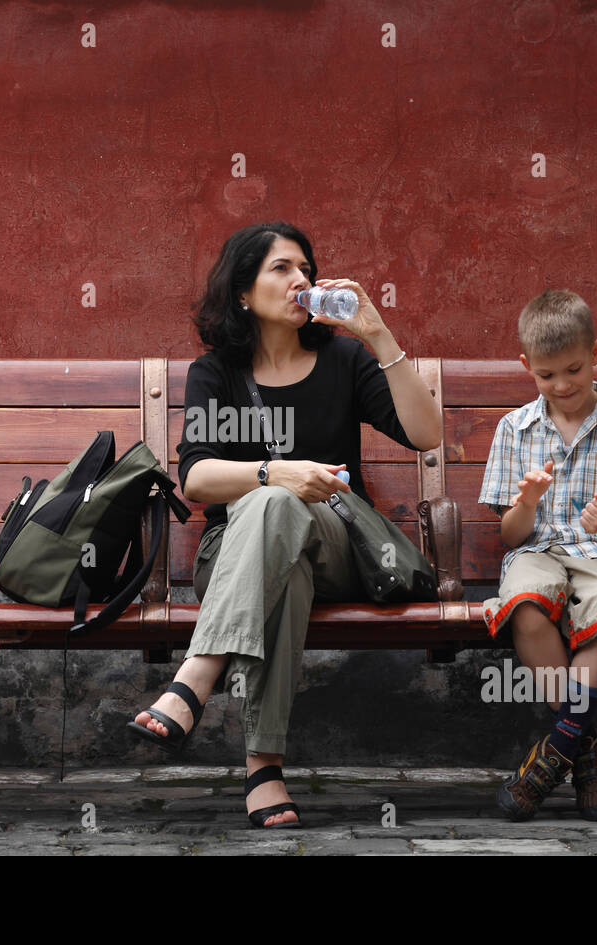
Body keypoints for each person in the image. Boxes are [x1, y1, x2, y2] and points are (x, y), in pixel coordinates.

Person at [126, 222, 442, 828]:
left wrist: (378, 335)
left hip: (341, 545)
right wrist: (277, 472)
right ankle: (265, 768)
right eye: (282, 268)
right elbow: (194, 481)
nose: (301, 280)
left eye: (306, 269)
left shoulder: (344, 359)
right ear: (243, 292)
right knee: (278, 531)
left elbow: (426, 435)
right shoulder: (214, 373)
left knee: (281, 512)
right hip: (237, 553)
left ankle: (194, 677)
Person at [478, 288, 597, 822]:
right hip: (538, 550)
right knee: (524, 601)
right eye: (546, 375)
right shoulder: (513, 429)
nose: (561, 385)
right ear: (526, 367)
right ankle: (585, 751)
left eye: (573, 370)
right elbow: (512, 538)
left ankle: (555, 749)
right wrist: (526, 502)